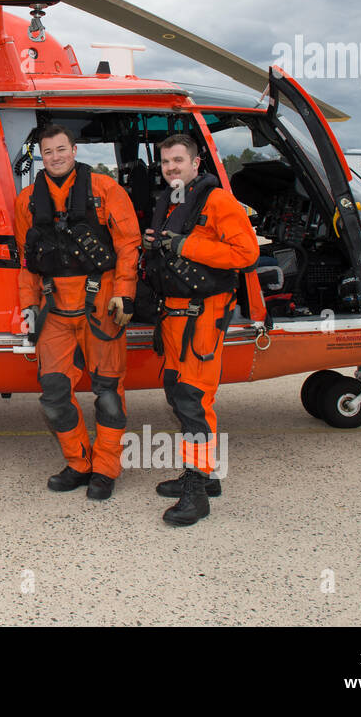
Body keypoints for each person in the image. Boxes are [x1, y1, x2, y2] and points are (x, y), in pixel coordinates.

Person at [14, 125, 140, 500]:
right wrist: (28, 307)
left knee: (108, 394)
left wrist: (125, 293)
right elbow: (26, 262)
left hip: (99, 303)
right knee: (53, 396)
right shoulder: (27, 201)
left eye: (61, 149)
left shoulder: (105, 190)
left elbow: (129, 245)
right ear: (41, 155)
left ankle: (105, 469)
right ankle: (78, 463)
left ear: (73, 149)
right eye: (48, 151)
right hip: (53, 308)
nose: (55, 156)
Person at [142, 133, 258, 526]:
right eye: (165, 162)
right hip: (174, 316)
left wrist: (183, 246)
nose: (171, 168)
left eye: (178, 160)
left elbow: (246, 253)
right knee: (178, 392)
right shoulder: (171, 202)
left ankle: (197, 492)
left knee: (193, 400)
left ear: (196, 164)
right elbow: (171, 247)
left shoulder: (218, 201)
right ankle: (203, 475)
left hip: (202, 318)